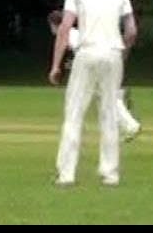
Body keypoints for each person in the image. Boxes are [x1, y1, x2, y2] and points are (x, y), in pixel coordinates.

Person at [49, 0, 137, 187]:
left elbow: (65, 28)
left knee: (74, 113)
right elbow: (131, 32)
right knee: (108, 114)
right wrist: (122, 54)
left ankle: (66, 174)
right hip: (112, 54)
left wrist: (56, 65)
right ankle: (110, 174)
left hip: (86, 53)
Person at [48, 9, 141, 141]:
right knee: (103, 98)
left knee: (81, 98)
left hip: (95, 66)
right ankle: (127, 121)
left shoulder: (68, 34)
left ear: (53, 25)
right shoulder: (76, 33)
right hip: (103, 62)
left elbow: (82, 51)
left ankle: (129, 125)